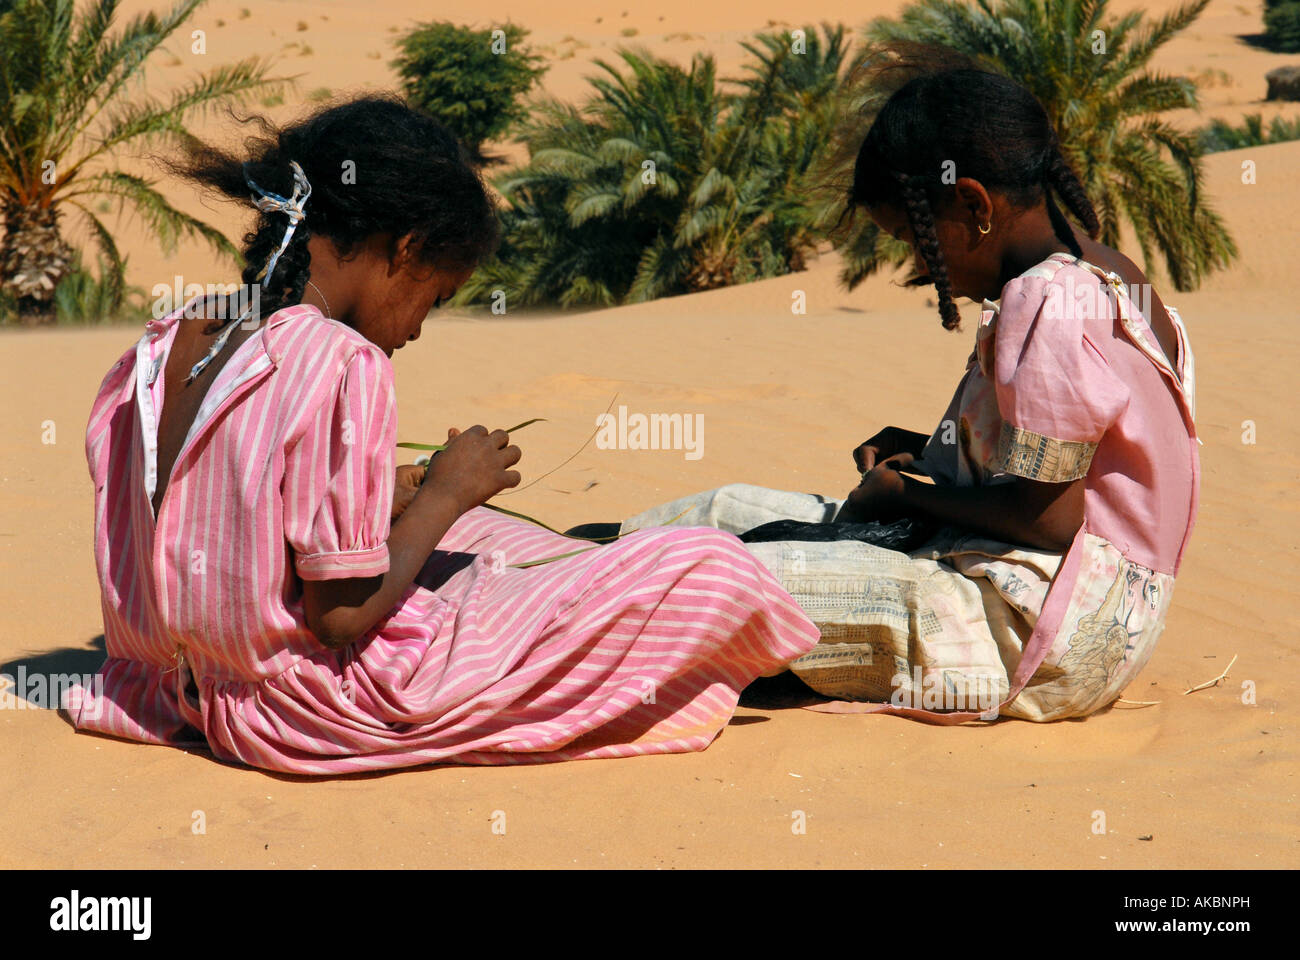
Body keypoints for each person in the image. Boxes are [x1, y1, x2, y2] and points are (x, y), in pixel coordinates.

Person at [73, 95, 819, 774]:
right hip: (304, 708)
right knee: (707, 566)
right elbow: (339, 618)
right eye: (435, 296)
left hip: (168, 689)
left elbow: (216, 512)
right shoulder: (342, 362)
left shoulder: (173, 334)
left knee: (502, 541)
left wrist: (403, 499)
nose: (420, 328)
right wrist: (449, 494)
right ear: (406, 248)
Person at [619, 65, 1200, 722]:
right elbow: (1072, 465)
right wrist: (929, 452)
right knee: (721, 513)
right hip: (1077, 610)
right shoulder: (1108, 273)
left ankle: (532, 612)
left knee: (723, 581)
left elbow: (1052, 518)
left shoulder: (1045, 304)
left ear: (975, 206)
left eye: (915, 238)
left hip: (1035, 634)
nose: (921, 266)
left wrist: (907, 494)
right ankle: (578, 565)